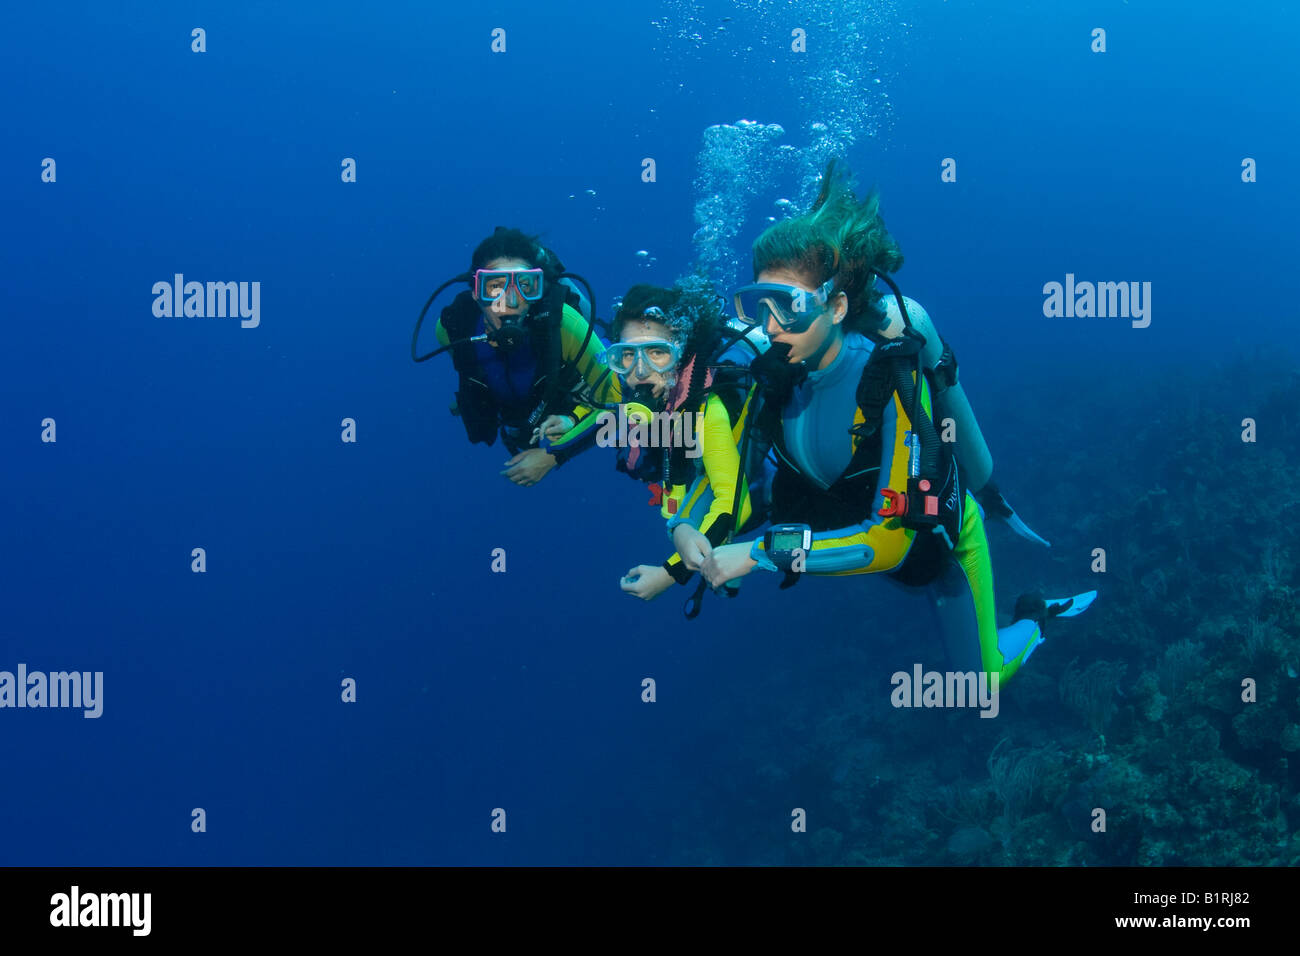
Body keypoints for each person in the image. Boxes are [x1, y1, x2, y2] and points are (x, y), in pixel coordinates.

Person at [700, 161, 1094, 683]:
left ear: (836, 306)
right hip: (855, 532)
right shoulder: (775, 380)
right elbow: (743, 491)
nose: (771, 326)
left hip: (937, 547)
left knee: (977, 686)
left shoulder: (889, 378)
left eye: (790, 306)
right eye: (758, 304)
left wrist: (755, 555)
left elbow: (890, 543)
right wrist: (683, 552)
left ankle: (1036, 617)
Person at [539, 280, 762, 601]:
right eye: (627, 354)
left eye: (658, 353)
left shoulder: (707, 408)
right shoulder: (628, 385)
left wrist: (670, 574)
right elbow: (603, 411)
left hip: (740, 470)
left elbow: (734, 502)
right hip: (681, 460)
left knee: (693, 517)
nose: (640, 371)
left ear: (680, 352)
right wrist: (560, 439)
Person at [412, 227, 618, 486]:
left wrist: (557, 450)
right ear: (476, 292)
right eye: (495, 286)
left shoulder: (564, 325)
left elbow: (618, 400)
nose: (509, 301)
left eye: (524, 286)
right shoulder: (451, 329)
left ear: (538, 291)